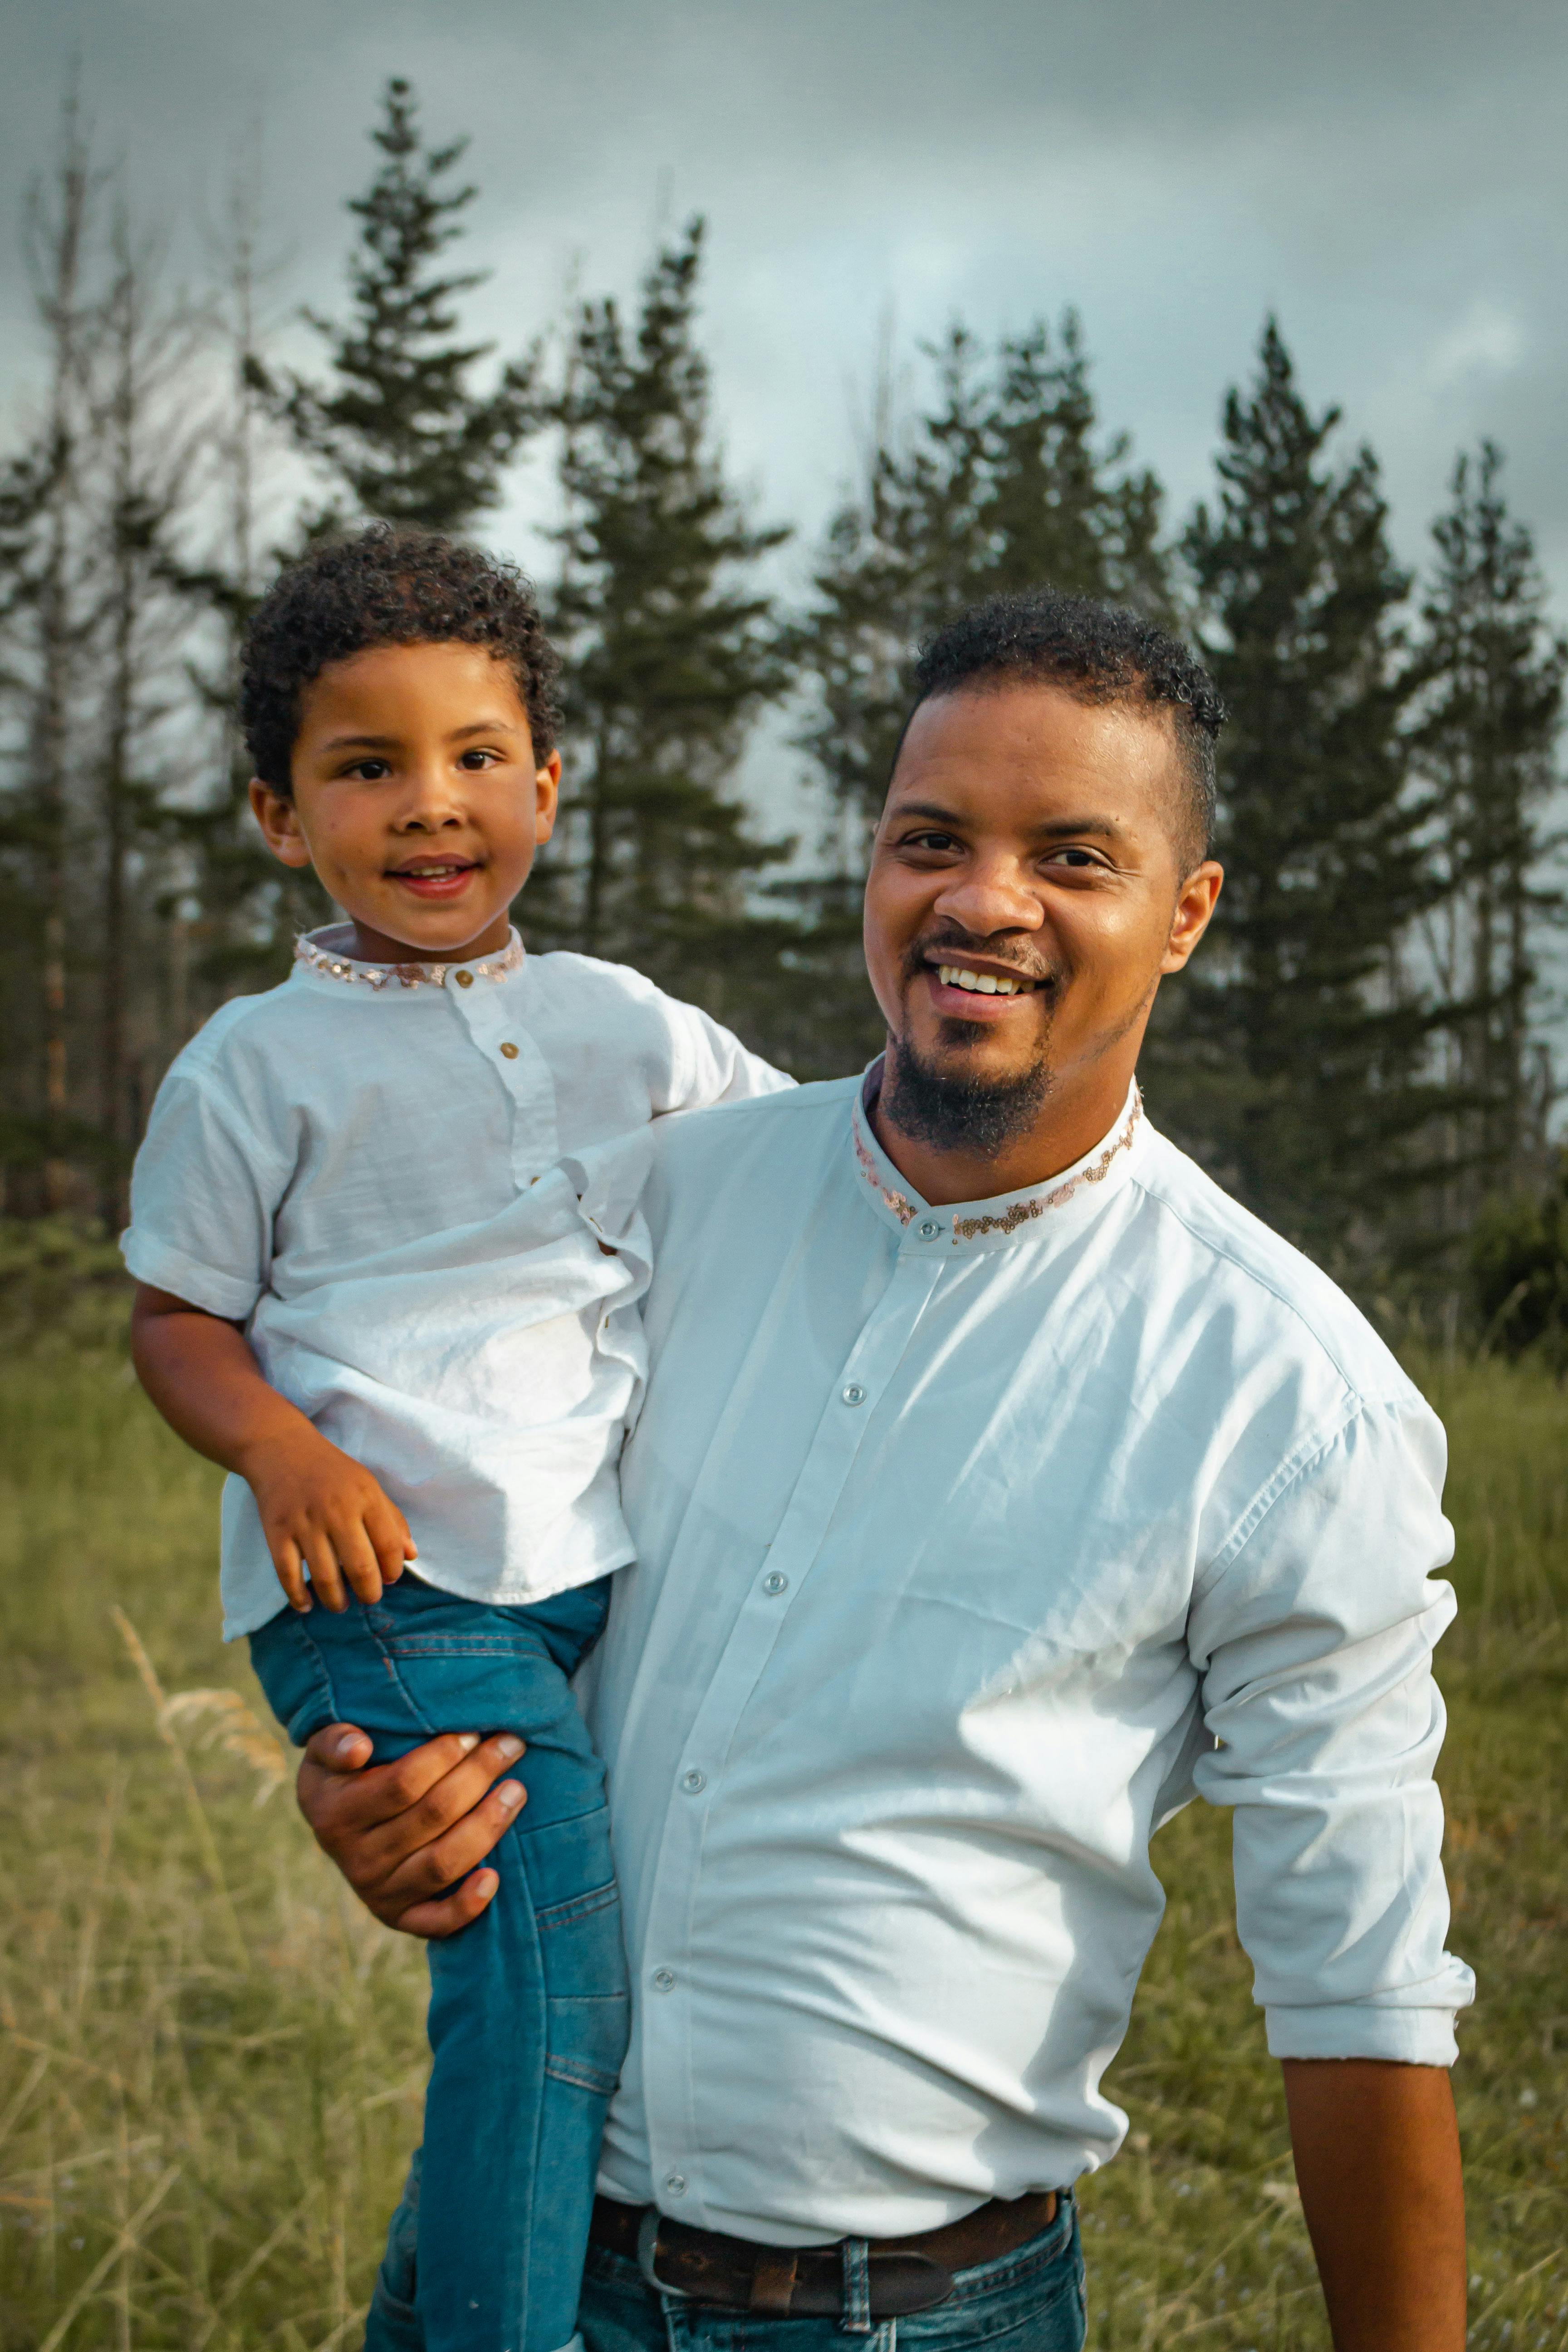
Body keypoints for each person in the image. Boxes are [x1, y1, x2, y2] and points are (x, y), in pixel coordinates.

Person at [298, 589, 1473, 2352]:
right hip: (506, 2255)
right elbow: (437, 1515)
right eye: (935, 839)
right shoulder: (654, 1204)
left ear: (1186, 916)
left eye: (1072, 854)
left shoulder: (1288, 1404)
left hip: (915, 2316)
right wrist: (376, 1784)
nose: (982, 901)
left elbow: (1360, 1984)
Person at [119, 526, 789, 2352]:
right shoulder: (257, 1064)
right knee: (554, 1994)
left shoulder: (620, 1021)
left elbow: (814, 1147)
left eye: (477, 758)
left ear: (548, 785)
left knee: (554, 1983)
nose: (433, 807)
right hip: (392, 1575)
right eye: (367, 767)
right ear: (281, 815)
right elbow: (174, 1317)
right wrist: (281, 1451)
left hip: (580, 1571)